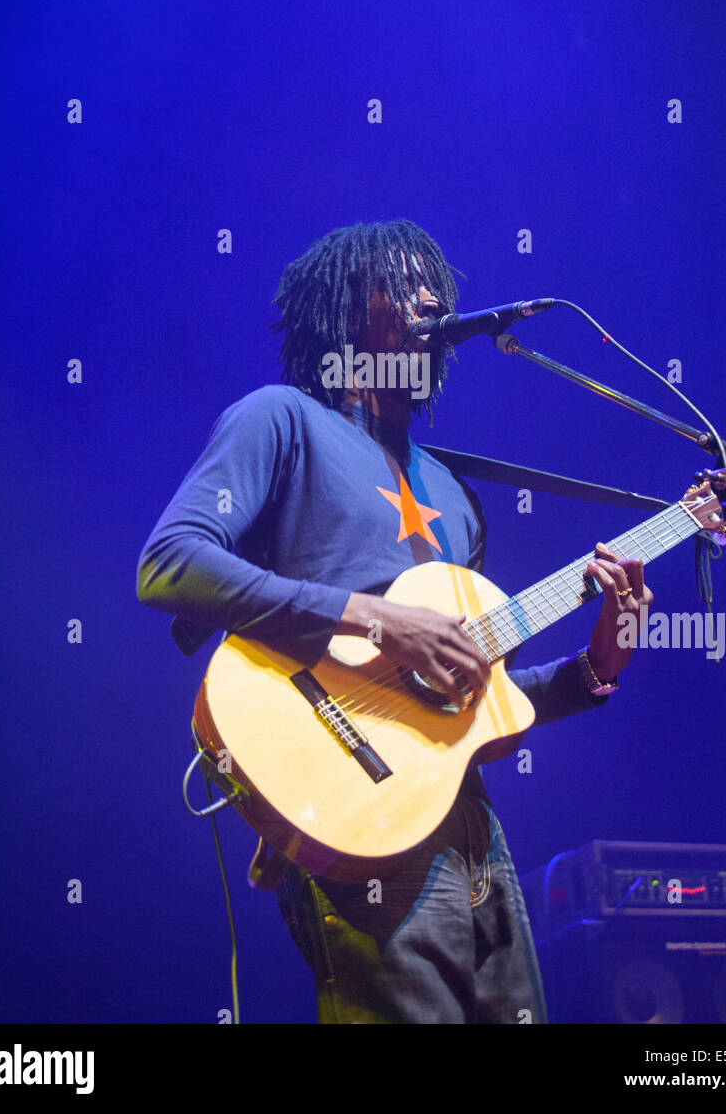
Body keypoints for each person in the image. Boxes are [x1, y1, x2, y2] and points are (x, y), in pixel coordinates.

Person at [136, 219, 652, 1024]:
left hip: (470, 831)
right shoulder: (279, 419)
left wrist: (600, 664)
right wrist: (374, 620)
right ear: (344, 308)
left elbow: (472, 697)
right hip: (353, 810)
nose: (428, 293)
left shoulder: (454, 492)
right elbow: (169, 561)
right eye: (402, 277)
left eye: (435, 282)